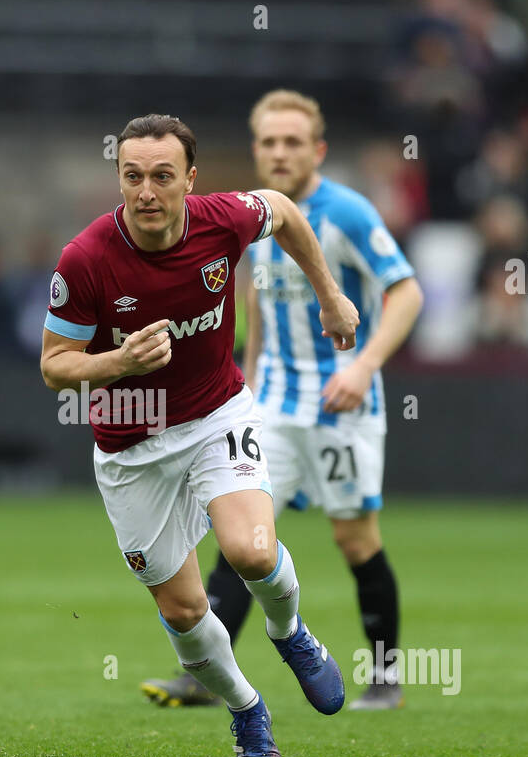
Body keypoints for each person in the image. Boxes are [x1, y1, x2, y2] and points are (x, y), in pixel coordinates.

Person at [40, 114, 359, 757]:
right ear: (119, 179)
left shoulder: (222, 221)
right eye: (133, 177)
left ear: (190, 179)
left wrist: (329, 296)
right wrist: (117, 364)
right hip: (131, 450)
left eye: (162, 176)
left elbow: (287, 214)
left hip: (217, 415)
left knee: (250, 549)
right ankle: (246, 708)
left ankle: (290, 631)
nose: (147, 192)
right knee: (185, 612)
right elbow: (54, 365)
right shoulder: (86, 260)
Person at [140, 90, 423, 712]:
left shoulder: (346, 213)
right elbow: (256, 303)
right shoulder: (255, 217)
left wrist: (365, 366)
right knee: (243, 530)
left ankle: (385, 677)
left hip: (342, 403)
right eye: (269, 142)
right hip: (270, 402)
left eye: (293, 142)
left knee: (355, 538)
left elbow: (405, 292)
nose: (279, 152)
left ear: (317, 150)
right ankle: (205, 676)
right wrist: (245, 375)